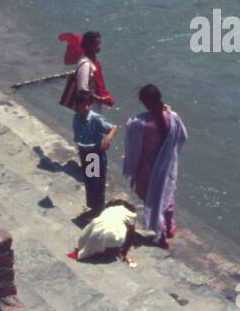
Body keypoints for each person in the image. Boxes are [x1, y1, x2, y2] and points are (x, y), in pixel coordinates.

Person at [121, 84, 187, 247]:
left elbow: (133, 149)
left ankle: (161, 231)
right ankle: (169, 227)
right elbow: (183, 137)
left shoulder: (140, 123)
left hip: (147, 168)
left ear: (144, 103)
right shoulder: (173, 118)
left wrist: (132, 170)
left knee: (150, 199)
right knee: (166, 196)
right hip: (166, 167)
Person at [72, 91, 117, 216]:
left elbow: (113, 128)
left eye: (87, 105)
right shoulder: (76, 118)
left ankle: (99, 210)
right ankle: (93, 207)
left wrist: (108, 139)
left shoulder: (96, 118)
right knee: (89, 180)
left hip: (94, 153)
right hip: (84, 153)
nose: (85, 108)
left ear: (90, 104)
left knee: (97, 182)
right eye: (82, 105)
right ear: (77, 105)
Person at [74, 30, 115, 107]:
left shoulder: (93, 63)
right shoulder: (86, 65)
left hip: (94, 108)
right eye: (96, 44)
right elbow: (83, 90)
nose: (99, 47)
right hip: (89, 110)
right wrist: (101, 99)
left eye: (99, 44)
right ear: (87, 45)